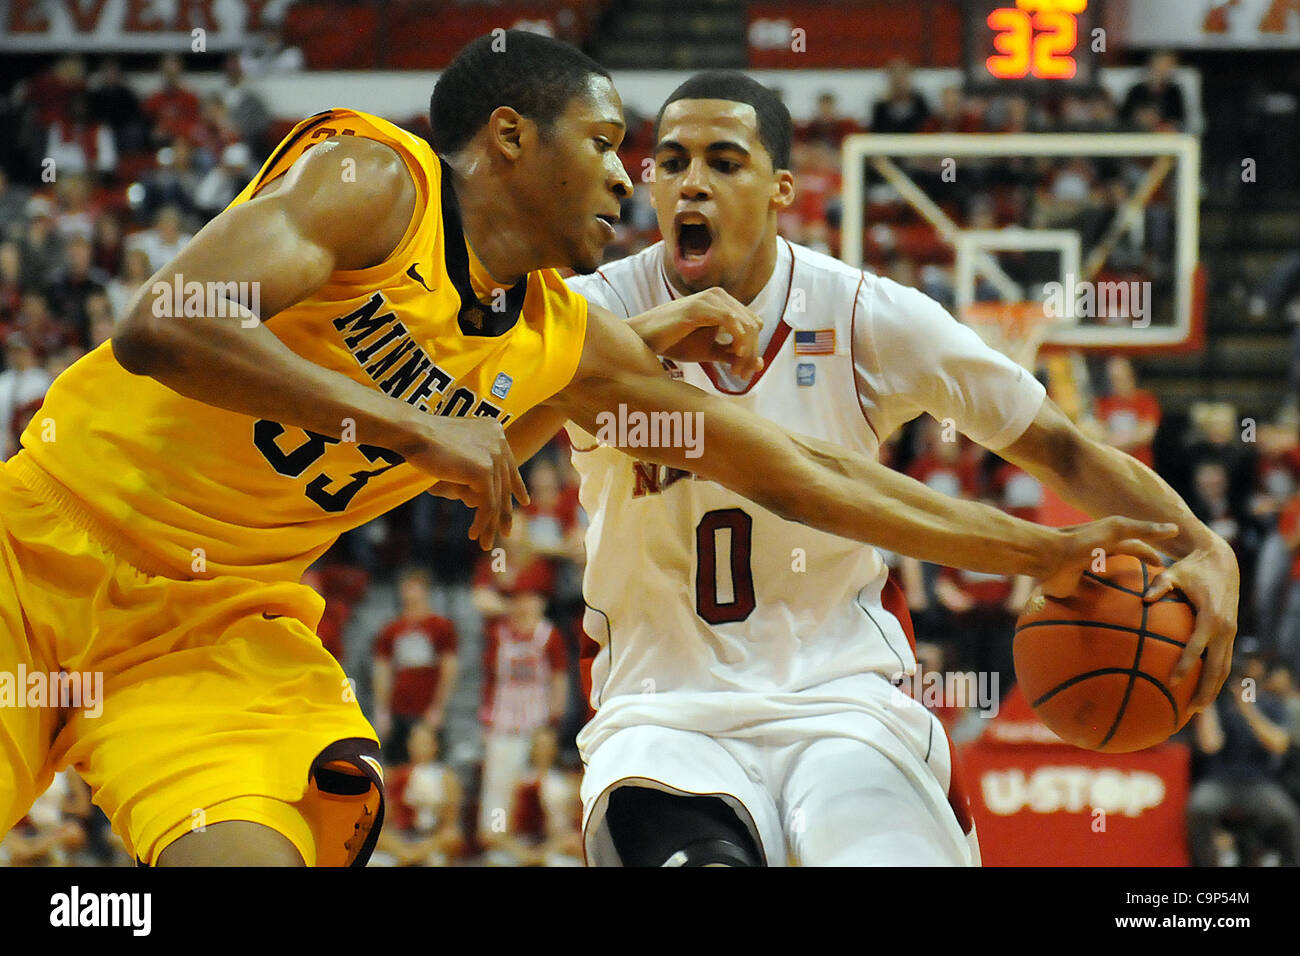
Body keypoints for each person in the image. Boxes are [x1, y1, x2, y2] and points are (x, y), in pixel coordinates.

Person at [0, 32, 1178, 868]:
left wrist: (1039, 548)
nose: (632, 176)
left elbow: (804, 474)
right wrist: (417, 426)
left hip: (211, 630)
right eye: (615, 145)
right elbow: (163, 323)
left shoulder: (569, 341)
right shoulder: (378, 183)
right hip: (38, 546)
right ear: (509, 138)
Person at [557, 71, 1238, 866]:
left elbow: (1060, 448)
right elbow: (473, 410)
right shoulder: (591, 312)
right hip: (661, 715)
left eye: (725, 161)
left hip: (844, 702)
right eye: (670, 163)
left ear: (783, 187)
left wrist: (1202, 546)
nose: (692, 183)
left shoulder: (863, 314)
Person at [372, 566, 460, 765]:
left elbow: (449, 668)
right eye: (406, 588)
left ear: (425, 591)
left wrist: (438, 707)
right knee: (397, 763)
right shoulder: (392, 629)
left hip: (426, 706)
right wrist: (383, 710)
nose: (410, 594)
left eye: (414, 588)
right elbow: (382, 670)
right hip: (399, 707)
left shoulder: (441, 627)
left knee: (431, 765)